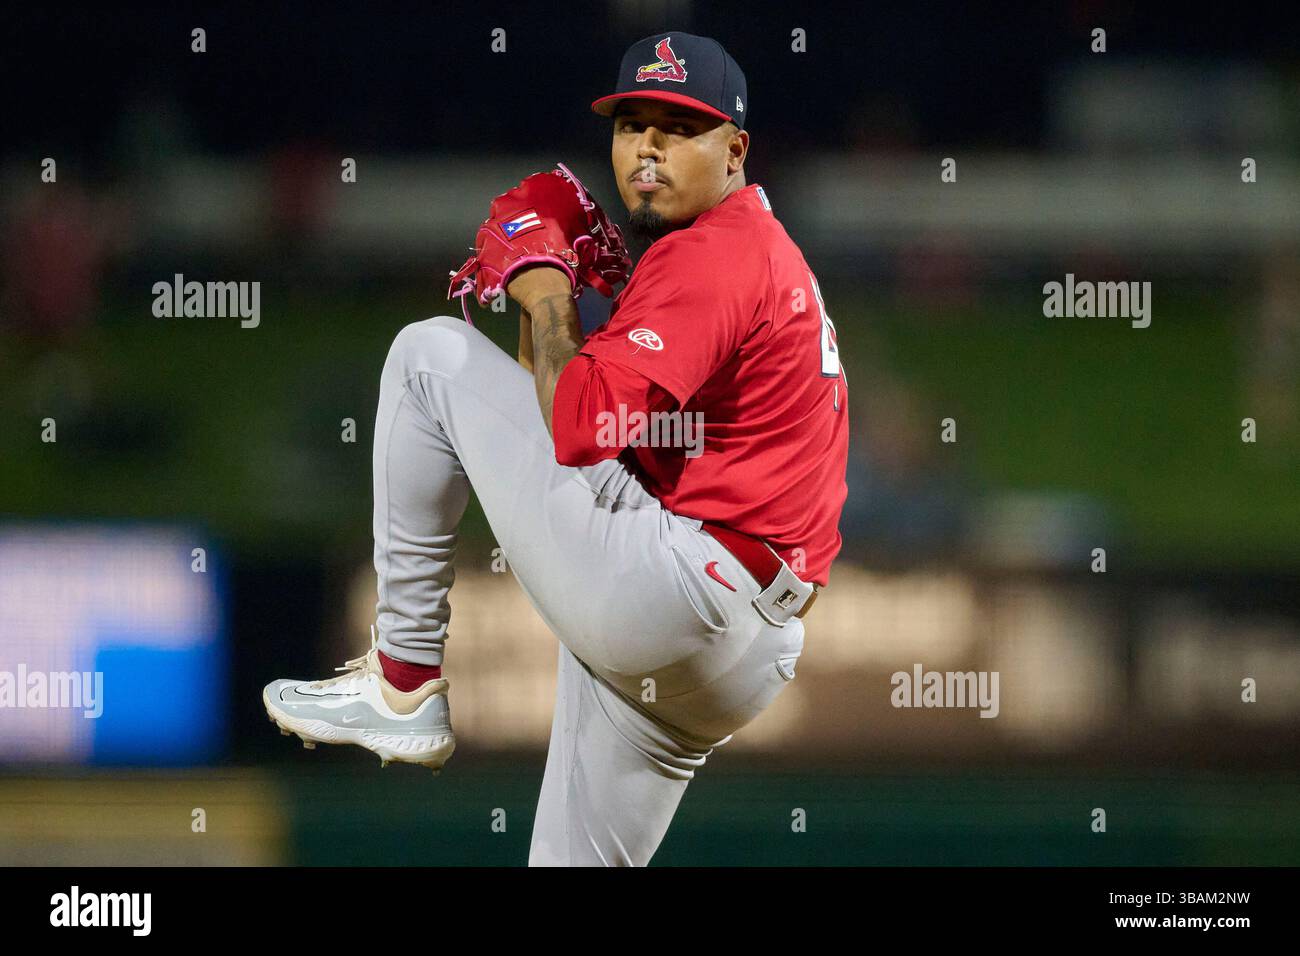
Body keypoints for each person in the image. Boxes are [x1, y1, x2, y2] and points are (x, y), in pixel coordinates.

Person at [263, 31, 849, 866]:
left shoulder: (712, 257)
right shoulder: (755, 252)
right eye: (630, 124)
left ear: (735, 148)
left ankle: (401, 687)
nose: (647, 146)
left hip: (681, 590)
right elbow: (570, 423)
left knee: (427, 358)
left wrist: (544, 292)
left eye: (679, 127)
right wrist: (552, 302)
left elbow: (578, 432)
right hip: (742, 649)